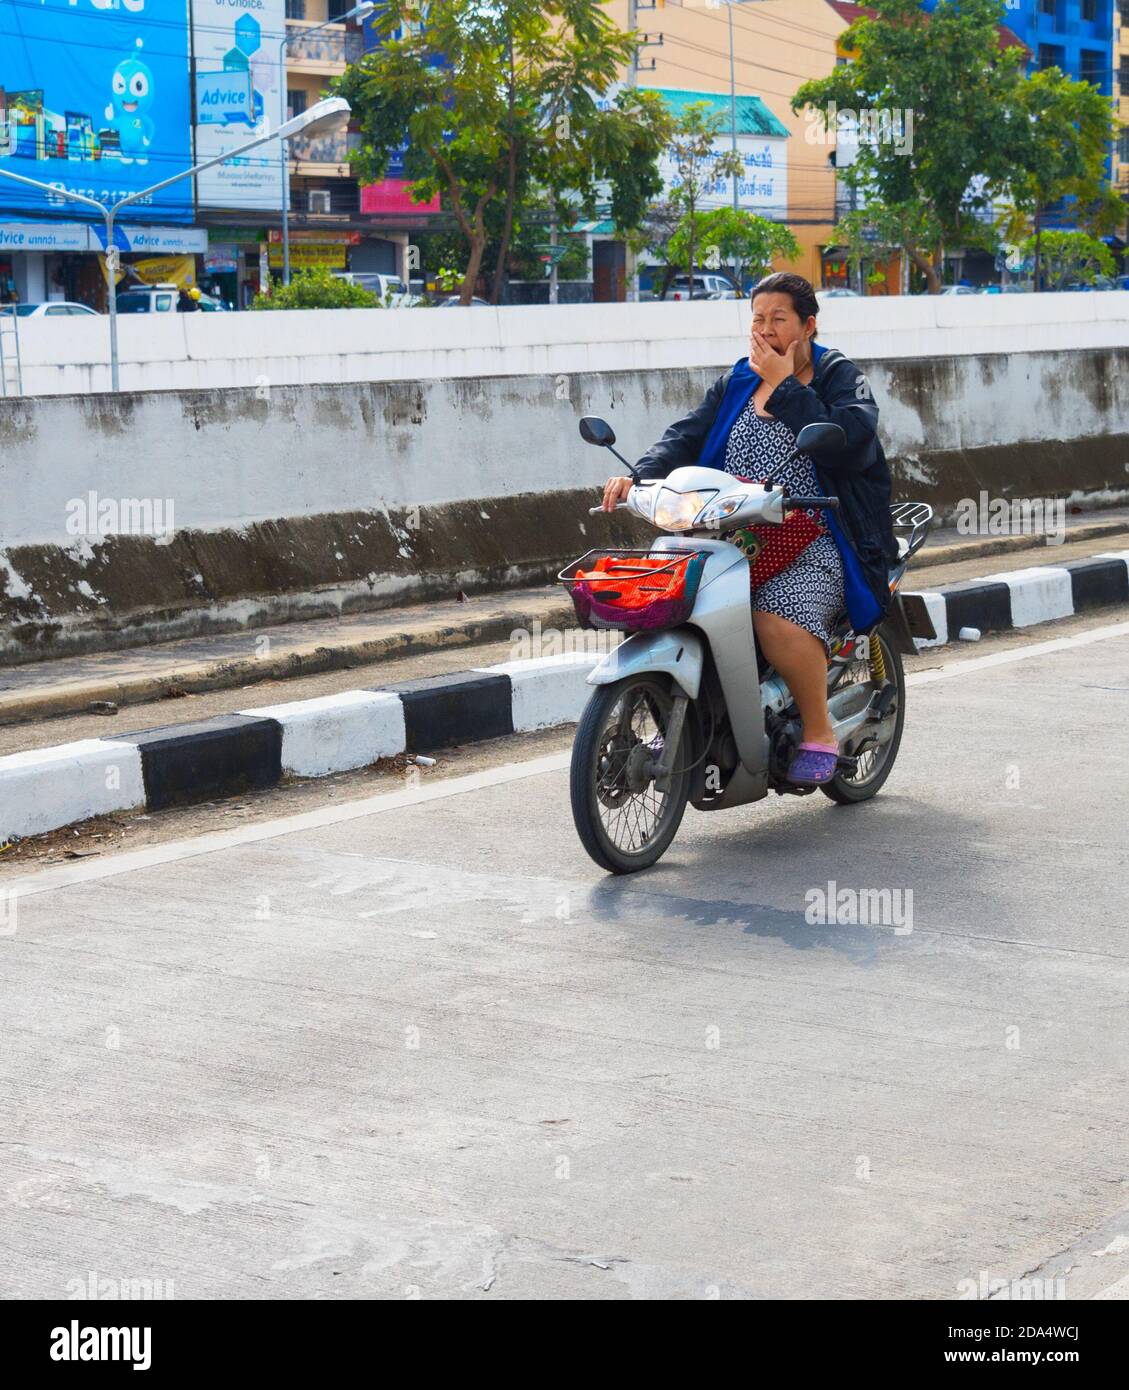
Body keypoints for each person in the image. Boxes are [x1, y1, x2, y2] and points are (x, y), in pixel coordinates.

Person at [600, 271, 898, 787]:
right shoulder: (738, 380)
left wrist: (785, 386)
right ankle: (688, 719)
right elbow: (687, 435)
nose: (765, 330)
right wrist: (638, 476)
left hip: (824, 536)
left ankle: (819, 731)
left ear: (807, 325)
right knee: (673, 601)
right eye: (757, 318)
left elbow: (850, 440)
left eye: (778, 319)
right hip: (734, 534)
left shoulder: (838, 378)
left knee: (774, 617)